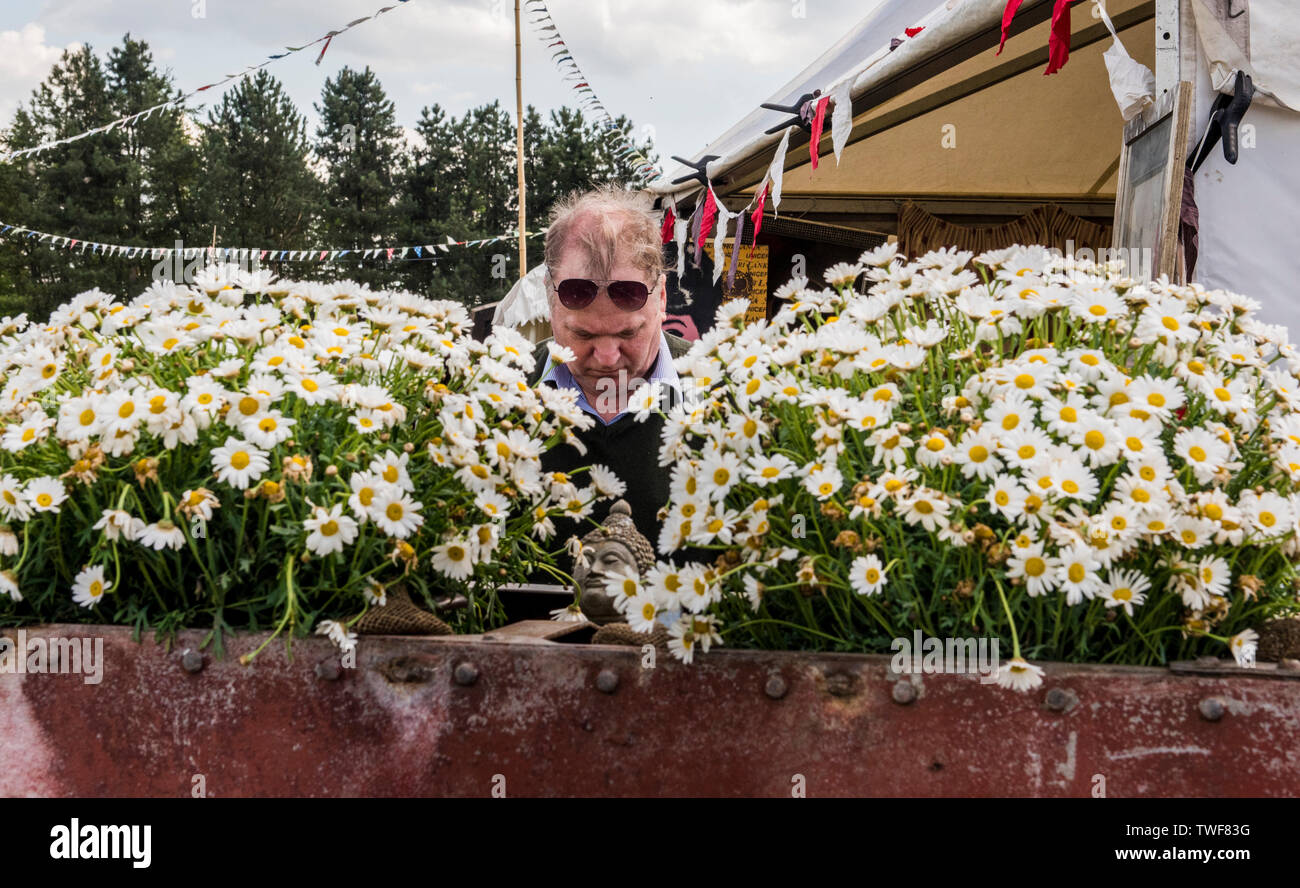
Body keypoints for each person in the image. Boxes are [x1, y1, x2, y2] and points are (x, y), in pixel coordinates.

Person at [525, 184, 693, 554]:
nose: (605, 356)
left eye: (627, 333)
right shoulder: (499, 392)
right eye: (582, 333)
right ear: (549, 300)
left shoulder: (729, 392)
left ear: (662, 298)